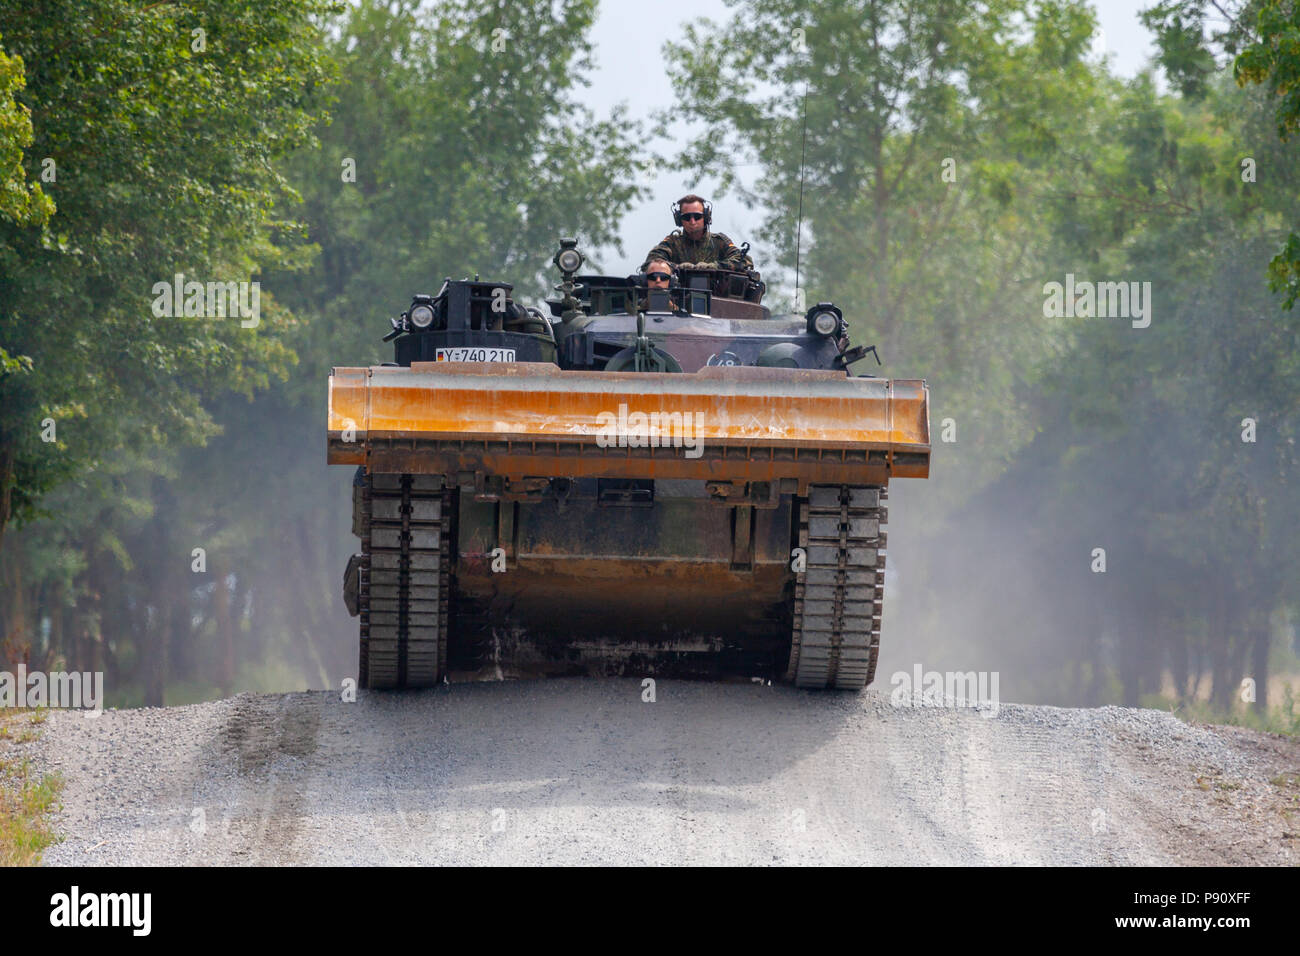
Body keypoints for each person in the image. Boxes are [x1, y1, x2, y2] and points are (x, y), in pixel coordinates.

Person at [641, 193, 755, 273]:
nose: (692, 221)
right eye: (686, 217)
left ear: (706, 217)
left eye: (697, 216)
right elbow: (651, 262)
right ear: (679, 220)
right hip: (678, 298)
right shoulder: (672, 243)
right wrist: (676, 267)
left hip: (717, 298)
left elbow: (745, 261)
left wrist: (714, 267)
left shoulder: (719, 242)